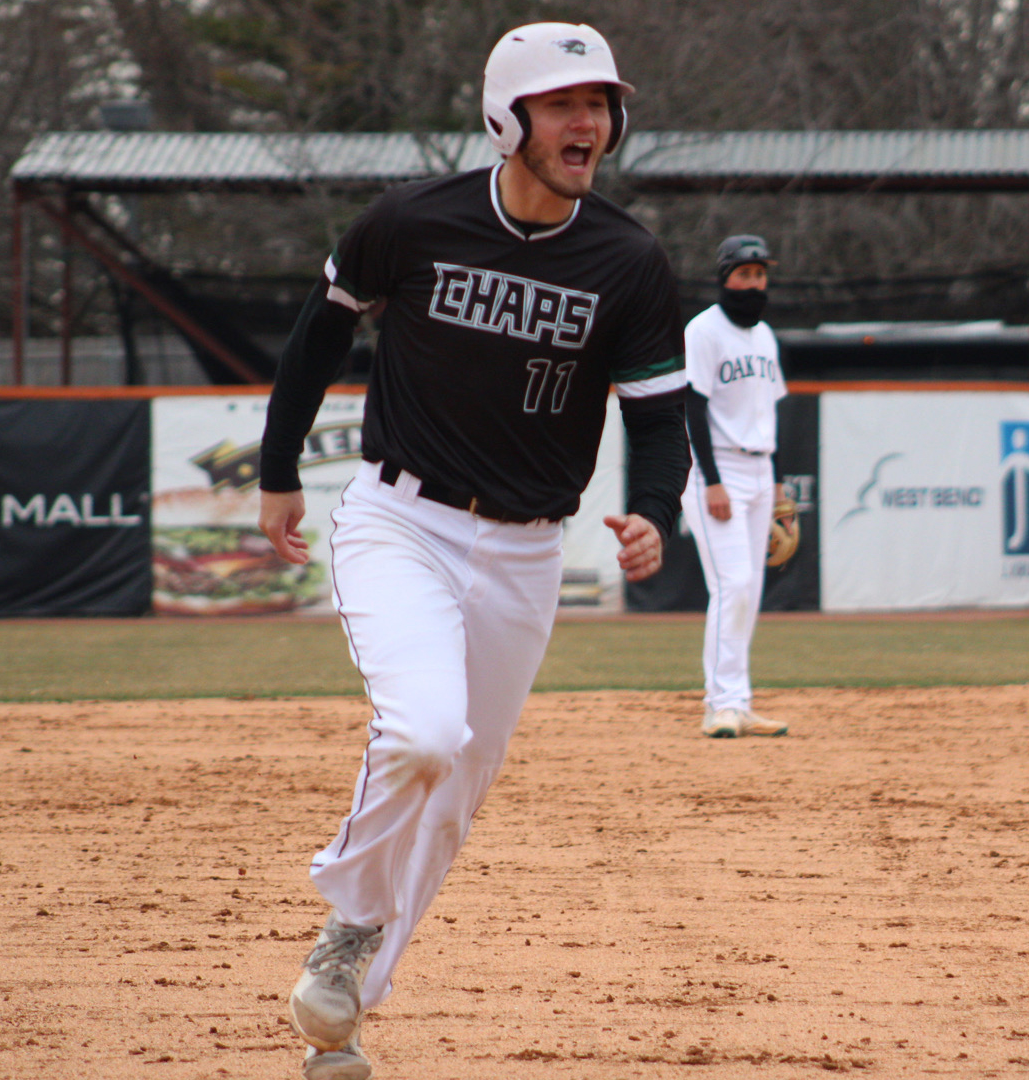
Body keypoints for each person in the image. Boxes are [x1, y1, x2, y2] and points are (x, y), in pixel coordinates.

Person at [253, 23, 689, 1080]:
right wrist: (276, 469)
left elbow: (659, 415)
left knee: (453, 801)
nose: (588, 123)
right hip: (403, 521)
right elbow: (319, 335)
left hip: (528, 554)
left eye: (600, 105)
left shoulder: (628, 262)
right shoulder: (412, 222)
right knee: (423, 734)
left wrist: (655, 511)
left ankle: (341, 1018)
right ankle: (350, 922)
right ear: (508, 118)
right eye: (564, 103)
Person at [681, 235, 790, 739]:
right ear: (724, 277)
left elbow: (770, 411)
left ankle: (739, 702)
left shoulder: (765, 336)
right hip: (718, 468)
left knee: (750, 591)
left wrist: (778, 482)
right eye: (745, 274)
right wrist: (712, 480)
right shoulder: (704, 330)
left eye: (760, 274)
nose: (754, 282)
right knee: (733, 584)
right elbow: (693, 407)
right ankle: (720, 704)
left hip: (760, 469)